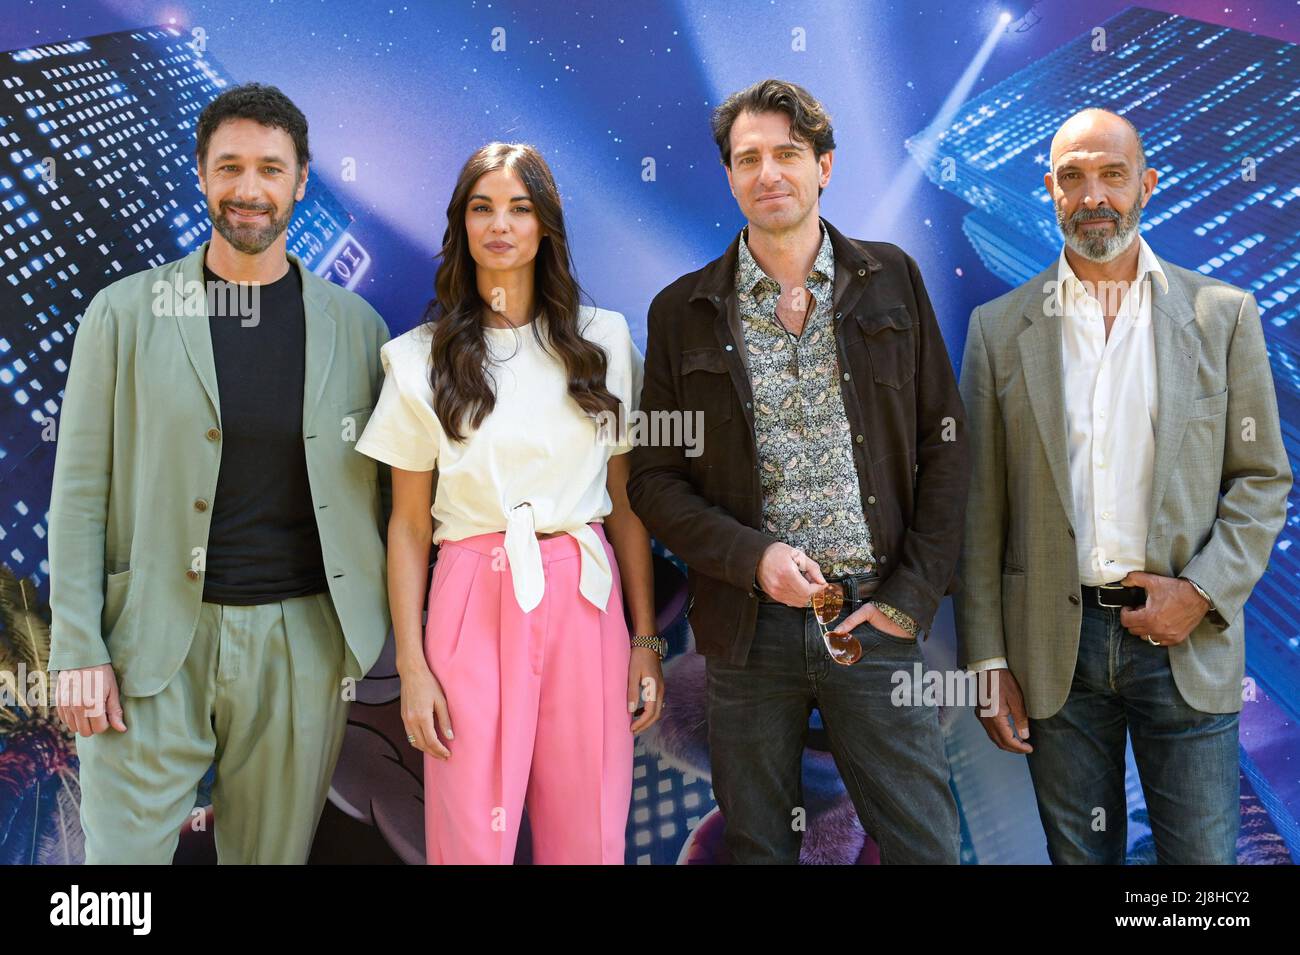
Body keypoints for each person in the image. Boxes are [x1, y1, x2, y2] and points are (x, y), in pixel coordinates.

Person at [627, 79, 970, 864]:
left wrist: (908, 601)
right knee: (759, 848)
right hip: (746, 638)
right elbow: (653, 478)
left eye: (787, 153)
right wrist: (753, 559)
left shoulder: (892, 281)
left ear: (825, 166)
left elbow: (946, 445)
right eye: (748, 158)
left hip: (873, 619)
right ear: (729, 176)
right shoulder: (681, 311)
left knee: (925, 843)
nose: (768, 172)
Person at [48, 83, 392, 863]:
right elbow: (78, 494)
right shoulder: (124, 314)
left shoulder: (359, 329)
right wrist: (77, 647)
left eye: (270, 169)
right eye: (229, 166)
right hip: (148, 642)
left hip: (301, 644)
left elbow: (389, 498)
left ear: (301, 180)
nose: (248, 189)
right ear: (202, 174)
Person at [956, 108, 1291, 864]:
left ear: (1147, 184)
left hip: (1185, 639)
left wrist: (1200, 592)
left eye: (1112, 174)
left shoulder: (1223, 316)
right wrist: (986, 661)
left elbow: (1262, 480)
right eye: (1072, 177)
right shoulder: (998, 329)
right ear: (1050, 190)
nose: (1093, 194)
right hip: (1053, 653)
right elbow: (979, 514)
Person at [355, 142, 662, 865]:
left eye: (520, 209)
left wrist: (645, 638)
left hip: (585, 595)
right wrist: (413, 665)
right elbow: (406, 525)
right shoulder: (417, 357)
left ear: (546, 225)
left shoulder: (605, 340)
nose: (501, 224)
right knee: (470, 839)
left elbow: (626, 501)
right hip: (469, 592)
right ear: (461, 224)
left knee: (587, 835)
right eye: (482, 207)